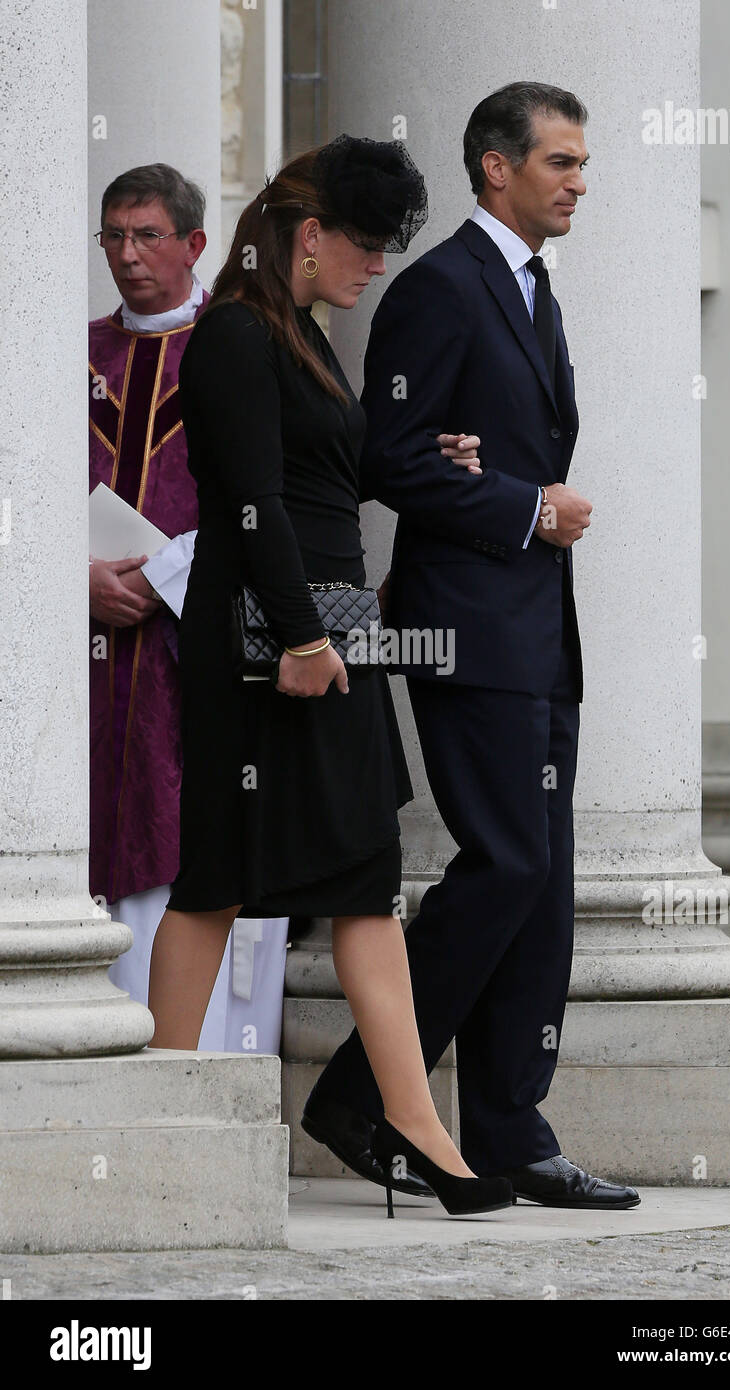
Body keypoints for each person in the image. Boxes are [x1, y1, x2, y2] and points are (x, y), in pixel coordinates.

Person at [146, 135, 514, 1218]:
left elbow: (316, 482)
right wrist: (305, 639)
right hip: (269, 642)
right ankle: (168, 1099)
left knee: (363, 875)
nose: (377, 266)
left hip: (327, 636)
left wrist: (422, 465)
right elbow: (251, 499)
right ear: (307, 236)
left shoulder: (300, 334)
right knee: (216, 872)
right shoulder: (232, 334)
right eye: (364, 244)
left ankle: (414, 1120)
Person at [303, 85, 641, 1210]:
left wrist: (508, 499)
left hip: (540, 631)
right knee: (510, 865)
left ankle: (509, 1127)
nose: (578, 181)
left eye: (582, 162)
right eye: (559, 161)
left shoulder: (530, 289)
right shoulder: (440, 288)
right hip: (469, 628)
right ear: (495, 168)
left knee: (542, 882)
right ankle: (363, 1094)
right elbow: (388, 459)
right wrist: (519, 506)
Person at [89, 162, 289, 1055]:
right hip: (89, 662)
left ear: (196, 244)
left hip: (204, 654)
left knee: (208, 843)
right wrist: (76, 579)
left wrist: (163, 578)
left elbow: (278, 497)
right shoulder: (73, 356)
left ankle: (210, 1074)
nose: (128, 257)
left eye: (148, 236)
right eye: (114, 238)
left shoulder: (244, 342)